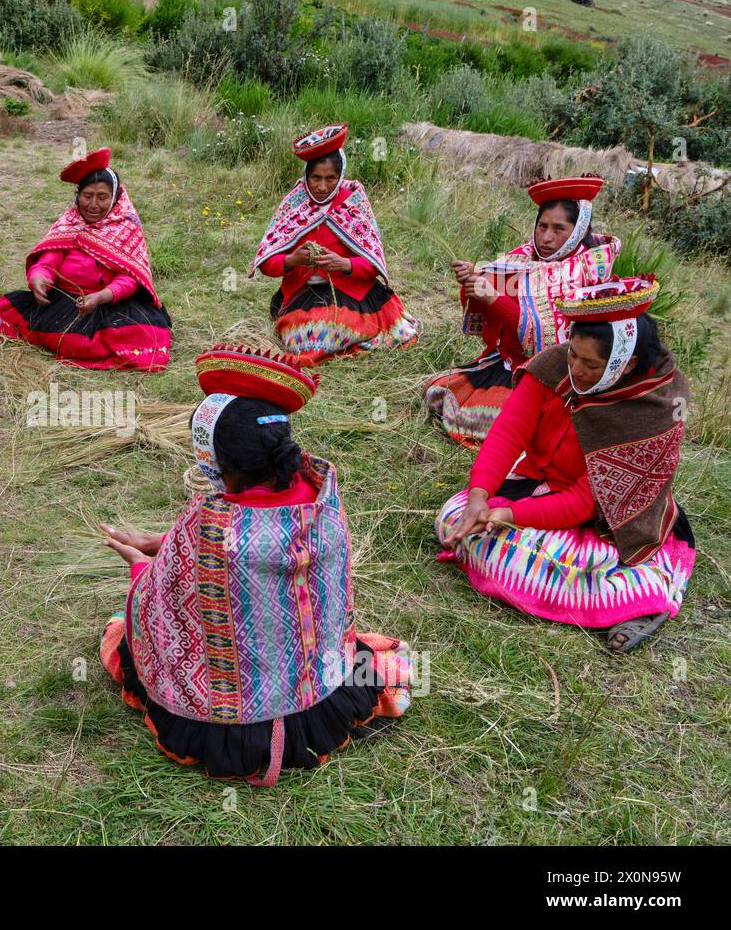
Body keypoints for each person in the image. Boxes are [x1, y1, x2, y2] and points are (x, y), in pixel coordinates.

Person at [98, 345, 412, 784]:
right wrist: (163, 543)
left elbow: (164, 601)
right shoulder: (320, 495)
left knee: (126, 630)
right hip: (316, 688)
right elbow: (249, 553)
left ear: (217, 463)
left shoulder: (211, 526)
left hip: (233, 716)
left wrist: (139, 565)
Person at [437, 277, 696, 654]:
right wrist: (480, 496)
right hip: (539, 484)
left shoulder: (651, 407)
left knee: (560, 564)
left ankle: (640, 601)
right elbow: (509, 433)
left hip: (607, 517)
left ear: (626, 365)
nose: (574, 368)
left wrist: (508, 516)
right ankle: (584, 596)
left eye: (590, 364)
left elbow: (585, 501)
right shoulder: (555, 366)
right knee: (454, 516)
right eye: (573, 354)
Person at [425, 174, 620, 447]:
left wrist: (492, 297)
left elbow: (550, 345)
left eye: (559, 229)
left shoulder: (585, 271)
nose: (546, 238)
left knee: (498, 424)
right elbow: (490, 307)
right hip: (509, 362)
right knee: (438, 392)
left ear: (578, 231)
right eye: (542, 226)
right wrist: (472, 278)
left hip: (550, 377)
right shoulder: (524, 257)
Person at [0, 147, 172, 371]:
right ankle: (81, 345)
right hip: (67, 300)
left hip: (110, 302)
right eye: (87, 196)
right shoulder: (69, 225)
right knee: (8, 309)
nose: (93, 204)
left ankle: (82, 343)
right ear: (77, 196)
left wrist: (100, 297)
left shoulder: (126, 228)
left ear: (115, 198)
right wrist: (38, 278)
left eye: (102, 197)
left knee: (141, 333)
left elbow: (130, 279)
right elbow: (47, 263)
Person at [251, 124, 419, 368]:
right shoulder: (294, 204)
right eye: (315, 178)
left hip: (350, 291)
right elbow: (267, 264)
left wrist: (344, 264)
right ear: (306, 176)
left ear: (340, 177)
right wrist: (292, 260)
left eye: (330, 179)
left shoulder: (352, 202)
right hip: (303, 294)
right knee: (309, 335)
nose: (322, 186)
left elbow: (373, 265)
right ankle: (337, 343)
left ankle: (342, 342)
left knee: (386, 329)